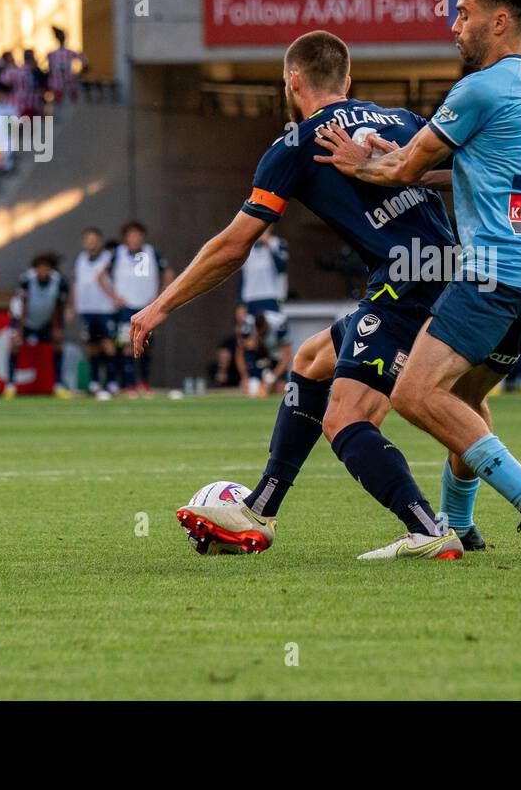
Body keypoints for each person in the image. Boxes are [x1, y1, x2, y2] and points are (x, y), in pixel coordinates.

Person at [130, 29, 478, 560]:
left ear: (294, 83)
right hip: (447, 274)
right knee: (312, 359)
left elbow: (233, 245)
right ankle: (263, 507)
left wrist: (160, 305)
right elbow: (464, 171)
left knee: (346, 418)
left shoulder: (295, 144)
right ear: (348, 80)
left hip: (406, 287)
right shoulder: (401, 121)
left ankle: (429, 530)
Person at [309, 0, 521, 561]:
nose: (455, 25)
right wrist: (397, 155)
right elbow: (470, 164)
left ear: (499, 20)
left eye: (465, 13)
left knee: (414, 393)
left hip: (490, 270)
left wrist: (360, 162)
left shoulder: (477, 88)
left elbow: (402, 171)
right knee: (465, 401)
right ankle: (460, 523)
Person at [106, 221, 173, 397]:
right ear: (125, 237)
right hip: (126, 309)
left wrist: (161, 297)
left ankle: (144, 383)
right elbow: (100, 276)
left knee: (146, 345)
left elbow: (168, 273)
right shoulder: (117, 254)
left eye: (137, 235)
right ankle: (129, 385)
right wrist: (114, 296)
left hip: (147, 307)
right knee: (127, 346)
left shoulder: (151, 253)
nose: (135, 238)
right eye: (131, 235)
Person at [5, 254, 71, 399]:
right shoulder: (27, 280)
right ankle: (10, 385)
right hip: (25, 321)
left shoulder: (58, 281)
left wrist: (57, 328)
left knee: (58, 345)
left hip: (45, 321)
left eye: (46, 267)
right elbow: (22, 305)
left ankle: (58, 385)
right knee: (14, 345)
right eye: (40, 267)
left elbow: (57, 306)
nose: (43, 270)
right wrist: (19, 329)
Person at [69, 227, 120, 399]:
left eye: (94, 239)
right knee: (92, 347)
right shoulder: (81, 260)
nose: (91, 243)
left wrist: (115, 297)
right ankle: (95, 382)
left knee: (108, 344)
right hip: (86, 309)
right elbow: (77, 283)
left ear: (100, 241)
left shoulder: (109, 258)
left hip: (105, 309)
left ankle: (112, 382)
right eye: (88, 239)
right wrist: (73, 306)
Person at [237, 308, 293, 397]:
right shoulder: (248, 326)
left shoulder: (279, 326)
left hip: (276, 355)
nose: (262, 335)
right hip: (258, 356)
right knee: (253, 390)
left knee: (281, 389)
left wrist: (271, 379)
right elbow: (239, 353)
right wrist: (244, 377)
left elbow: (286, 358)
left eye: (263, 332)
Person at [240, 226, 287, 313]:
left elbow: (282, 268)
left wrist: (269, 246)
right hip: (250, 299)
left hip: (271, 297)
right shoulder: (246, 247)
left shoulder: (278, 244)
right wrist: (240, 304)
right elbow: (242, 277)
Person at [46, 27, 86, 105]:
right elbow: (50, 70)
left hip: (70, 83)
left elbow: (84, 60)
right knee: (59, 104)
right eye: (59, 36)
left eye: (62, 36)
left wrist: (79, 73)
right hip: (57, 85)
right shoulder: (52, 54)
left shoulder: (70, 52)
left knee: (72, 104)